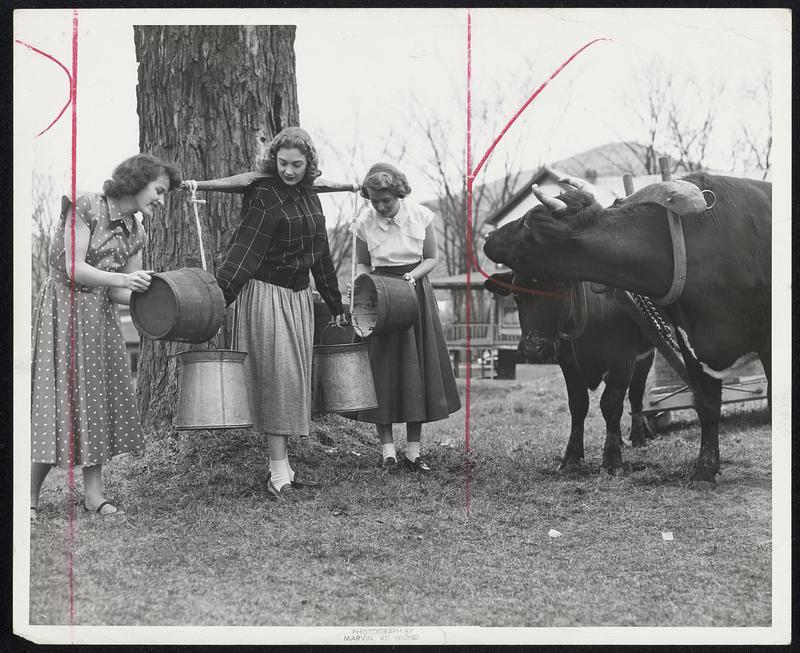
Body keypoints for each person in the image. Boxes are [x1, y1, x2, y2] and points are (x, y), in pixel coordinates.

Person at [183, 127, 349, 501]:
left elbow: (320, 252)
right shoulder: (265, 193)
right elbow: (246, 249)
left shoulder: (310, 196)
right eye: (282, 163)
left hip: (298, 298)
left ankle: (285, 465)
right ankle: (276, 473)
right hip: (266, 295)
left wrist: (334, 303)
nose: (288, 171)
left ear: (309, 165)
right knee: (278, 379)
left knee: (293, 382)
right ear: (273, 161)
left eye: (297, 164)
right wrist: (217, 300)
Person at [31, 154, 182, 519]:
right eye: (159, 190)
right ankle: (28, 496)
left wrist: (160, 305)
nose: (161, 199)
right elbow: (72, 265)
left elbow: (122, 292)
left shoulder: (137, 229)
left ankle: (94, 495)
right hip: (63, 312)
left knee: (96, 401)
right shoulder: (87, 204)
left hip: (100, 317)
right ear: (138, 180)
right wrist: (123, 280)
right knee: (56, 401)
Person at [349, 163, 461, 472]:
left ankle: (413, 451)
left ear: (399, 194)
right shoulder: (363, 223)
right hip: (379, 295)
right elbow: (361, 262)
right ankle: (387, 451)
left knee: (417, 369)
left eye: (387, 200)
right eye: (375, 201)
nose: (381, 207)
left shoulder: (421, 216)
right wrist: (363, 285)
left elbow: (432, 259)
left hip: (413, 292)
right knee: (380, 372)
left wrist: (412, 277)